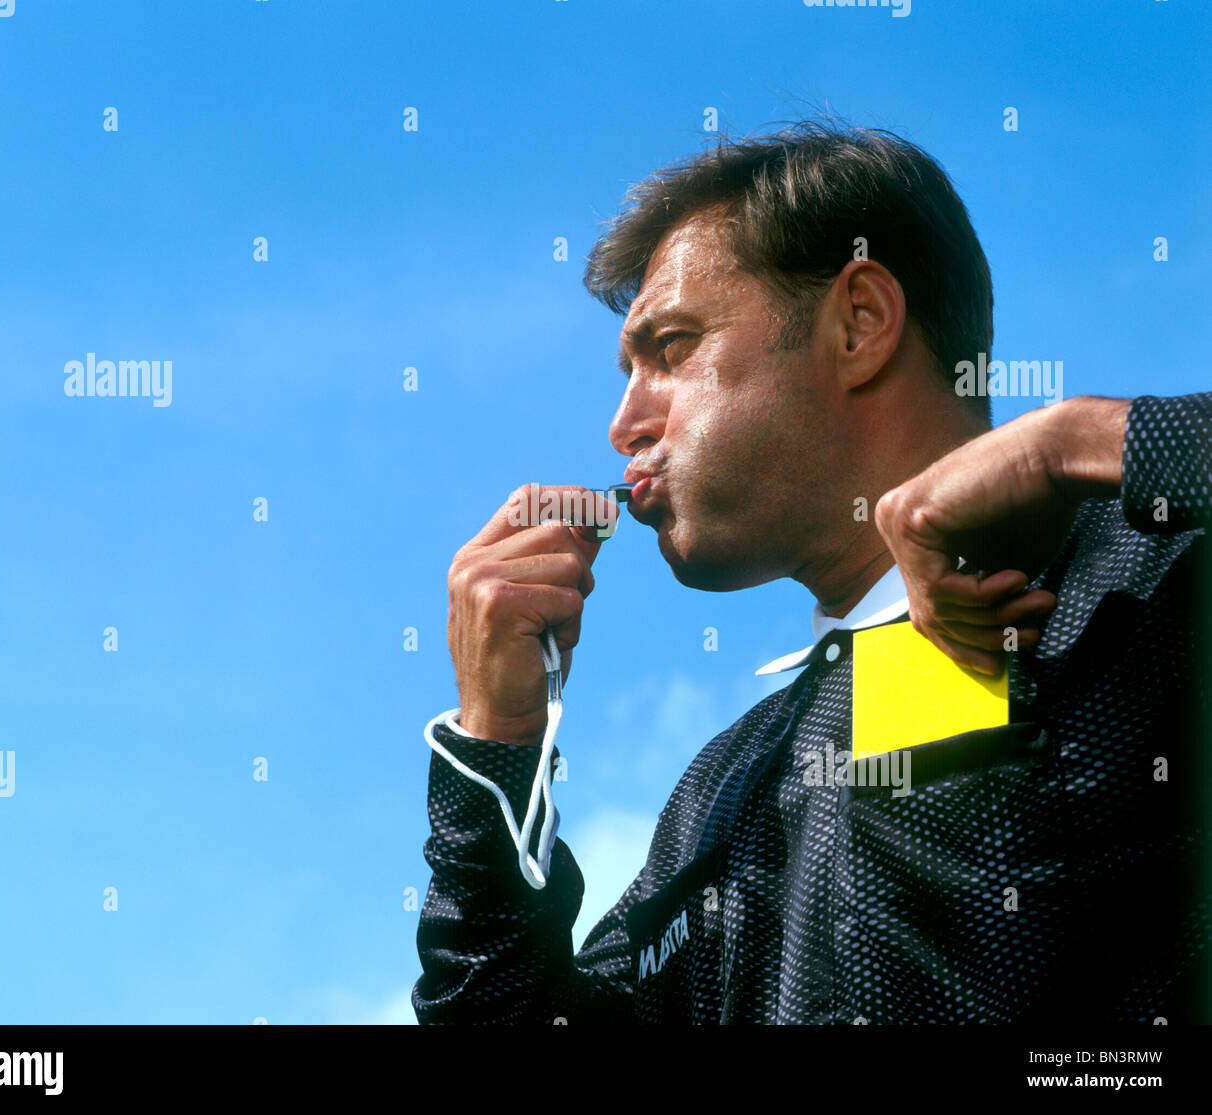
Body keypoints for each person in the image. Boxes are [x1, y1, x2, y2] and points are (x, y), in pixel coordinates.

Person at [413, 121, 1211, 1023]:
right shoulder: (717, 798)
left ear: (861, 323)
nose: (623, 423)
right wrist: (500, 749)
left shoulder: (1145, 577)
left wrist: (1086, 442)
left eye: (672, 348)